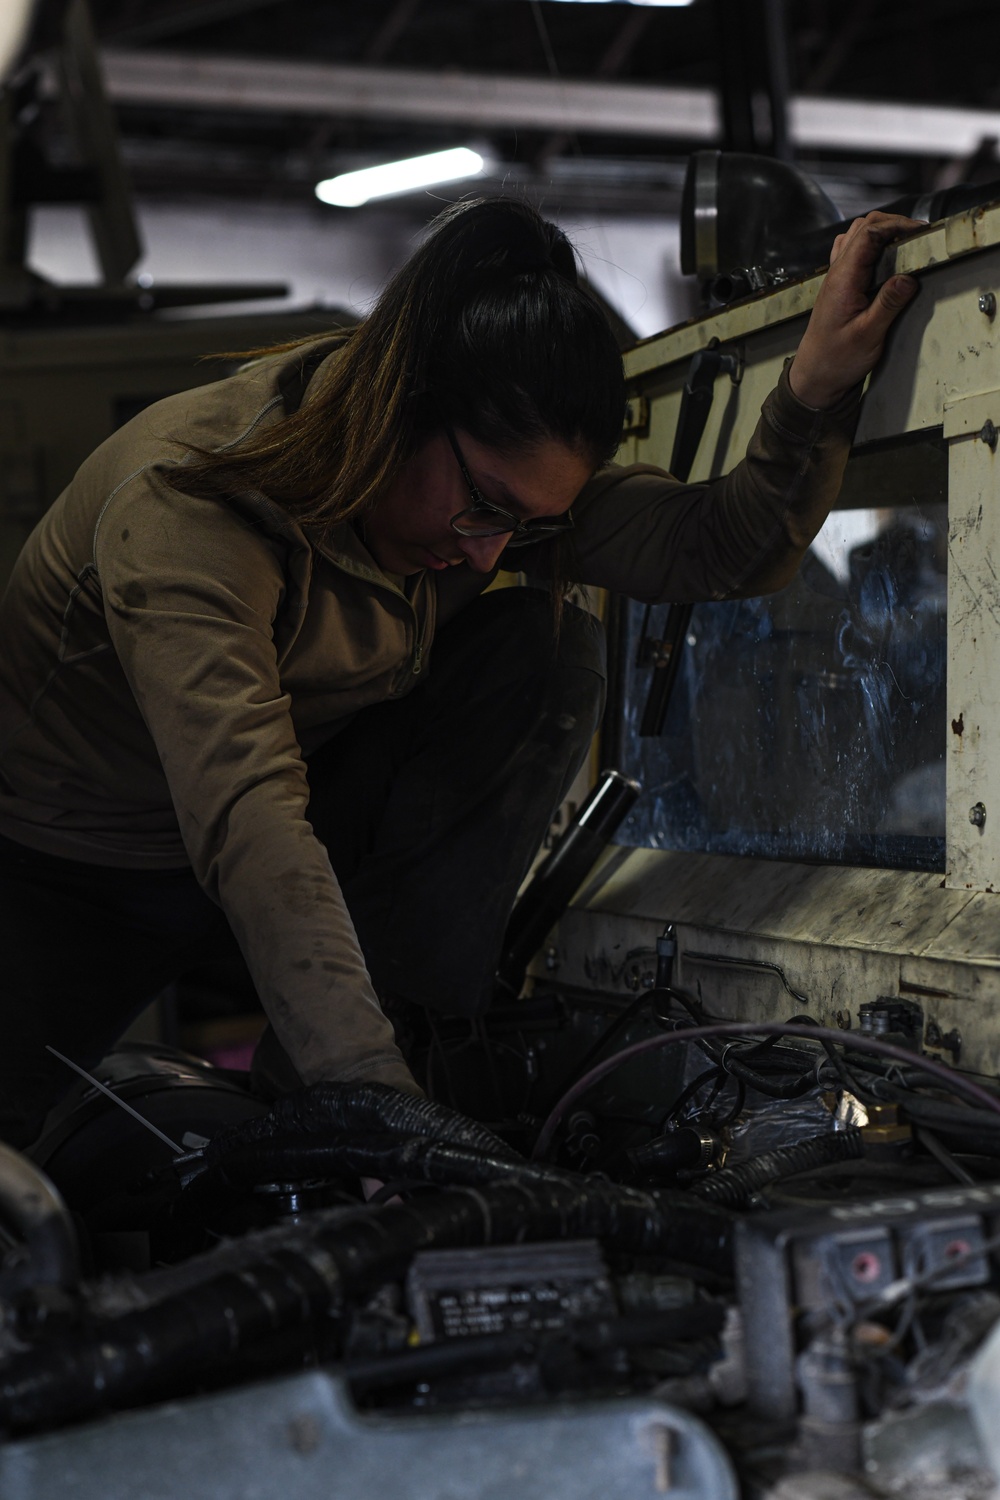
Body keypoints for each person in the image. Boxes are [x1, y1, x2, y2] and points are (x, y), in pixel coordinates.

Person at [0, 198, 921, 1149]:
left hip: (305, 816)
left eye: (524, 526)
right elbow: (246, 817)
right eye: (486, 505)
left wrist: (814, 393)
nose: (490, 553)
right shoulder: (189, 505)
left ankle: (385, 1063)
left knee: (544, 652)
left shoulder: (483, 489)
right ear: (401, 408)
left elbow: (717, 546)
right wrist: (371, 1095)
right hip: (73, 871)